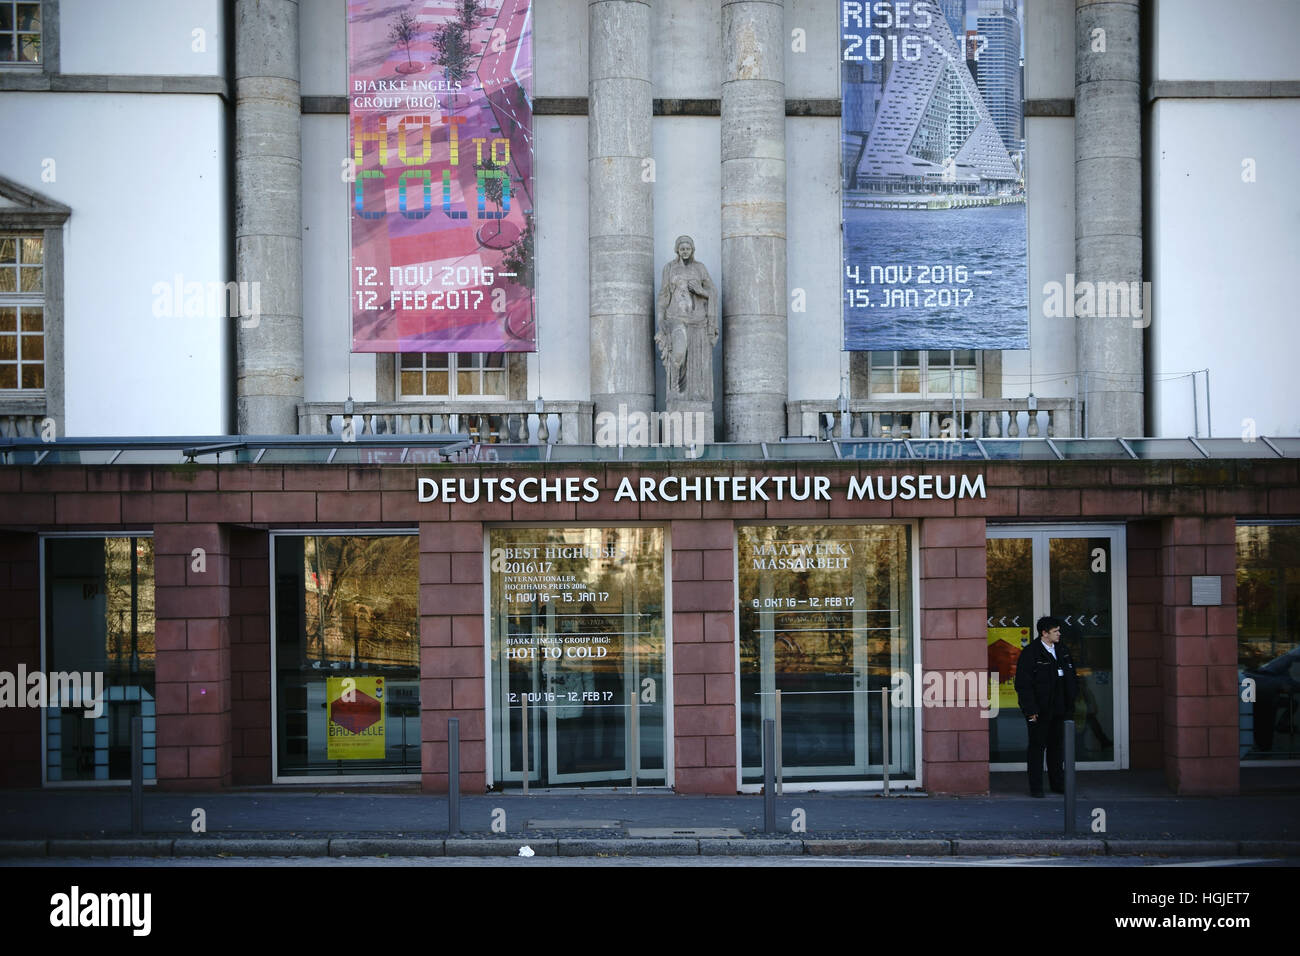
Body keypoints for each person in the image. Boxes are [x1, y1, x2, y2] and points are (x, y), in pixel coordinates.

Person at [1014, 615, 1078, 797]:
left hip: (1060, 709)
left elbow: (1071, 677)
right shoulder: (1031, 653)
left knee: (1056, 748)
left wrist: (1071, 700)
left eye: (1059, 630)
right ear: (1044, 633)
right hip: (1040, 711)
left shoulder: (1062, 650)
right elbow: (1024, 685)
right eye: (1055, 631)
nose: (1059, 634)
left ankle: (1057, 784)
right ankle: (1036, 788)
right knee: (1036, 748)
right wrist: (1030, 710)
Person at [655, 236, 717, 401]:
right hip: (675, 317)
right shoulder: (669, 268)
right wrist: (660, 319)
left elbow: (712, 292)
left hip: (698, 320)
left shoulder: (700, 268)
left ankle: (695, 395)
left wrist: (700, 291)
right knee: (678, 354)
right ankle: (675, 390)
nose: (684, 251)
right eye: (682, 248)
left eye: (687, 248)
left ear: (692, 250)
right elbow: (663, 295)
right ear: (677, 250)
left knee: (699, 360)